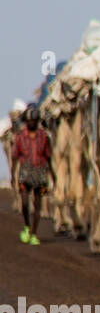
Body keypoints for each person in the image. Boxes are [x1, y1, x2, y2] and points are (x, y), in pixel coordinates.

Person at [12, 105, 54, 246]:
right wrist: (13, 175)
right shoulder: (19, 136)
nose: (32, 123)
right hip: (25, 171)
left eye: (34, 120)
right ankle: (27, 226)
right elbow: (14, 157)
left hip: (40, 172)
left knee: (38, 204)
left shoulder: (43, 136)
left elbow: (48, 156)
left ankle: (34, 234)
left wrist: (52, 174)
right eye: (30, 120)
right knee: (24, 203)